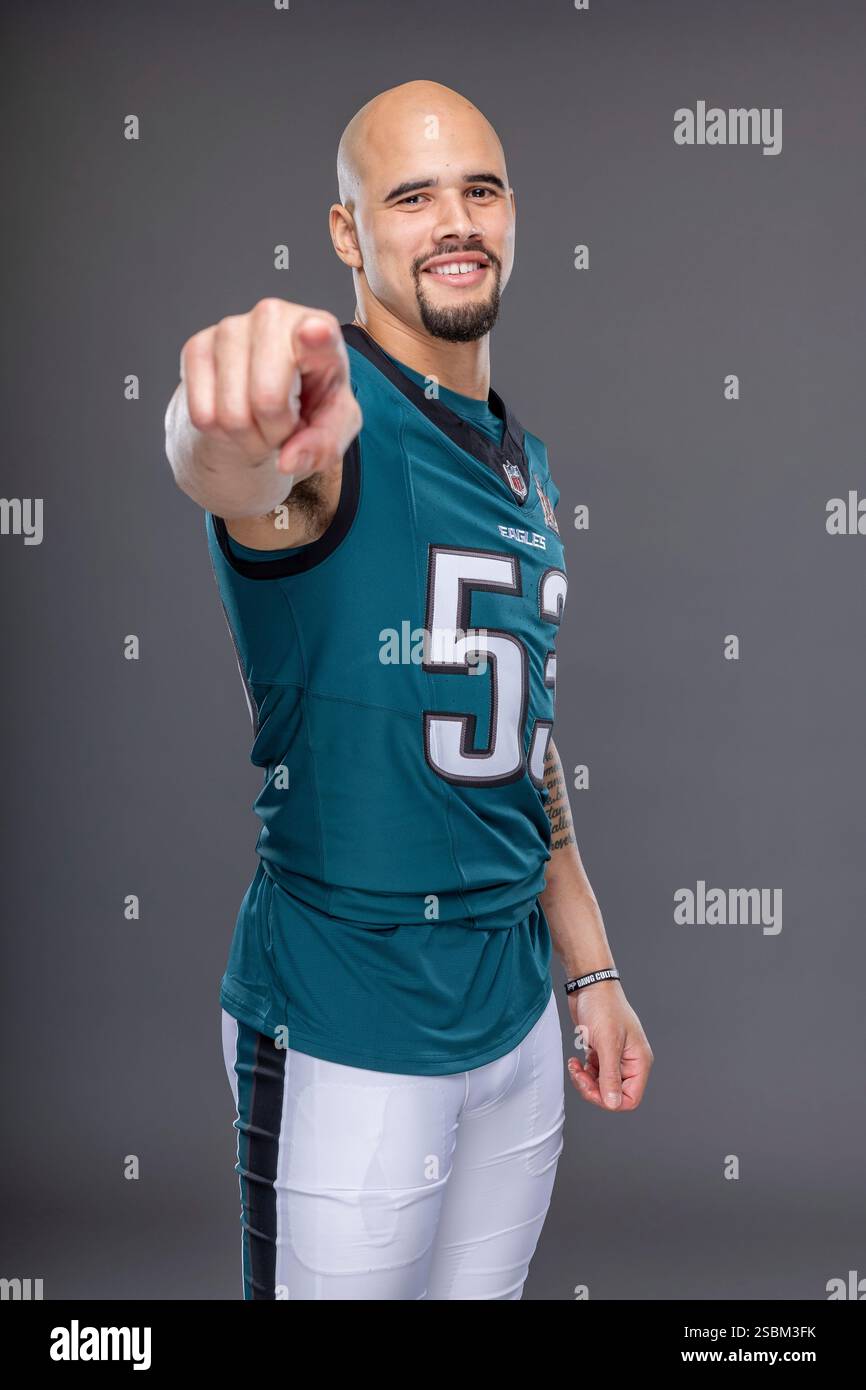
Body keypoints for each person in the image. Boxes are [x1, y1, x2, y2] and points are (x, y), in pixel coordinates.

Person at [164, 79, 653, 1301]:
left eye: (478, 189)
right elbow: (227, 461)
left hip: (514, 1014)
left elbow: (522, 725)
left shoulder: (519, 459)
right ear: (347, 234)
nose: (453, 219)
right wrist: (216, 415)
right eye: (410, 193)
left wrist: (588, 966)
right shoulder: (326, 429)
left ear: (511, 217)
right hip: (350, 1023)